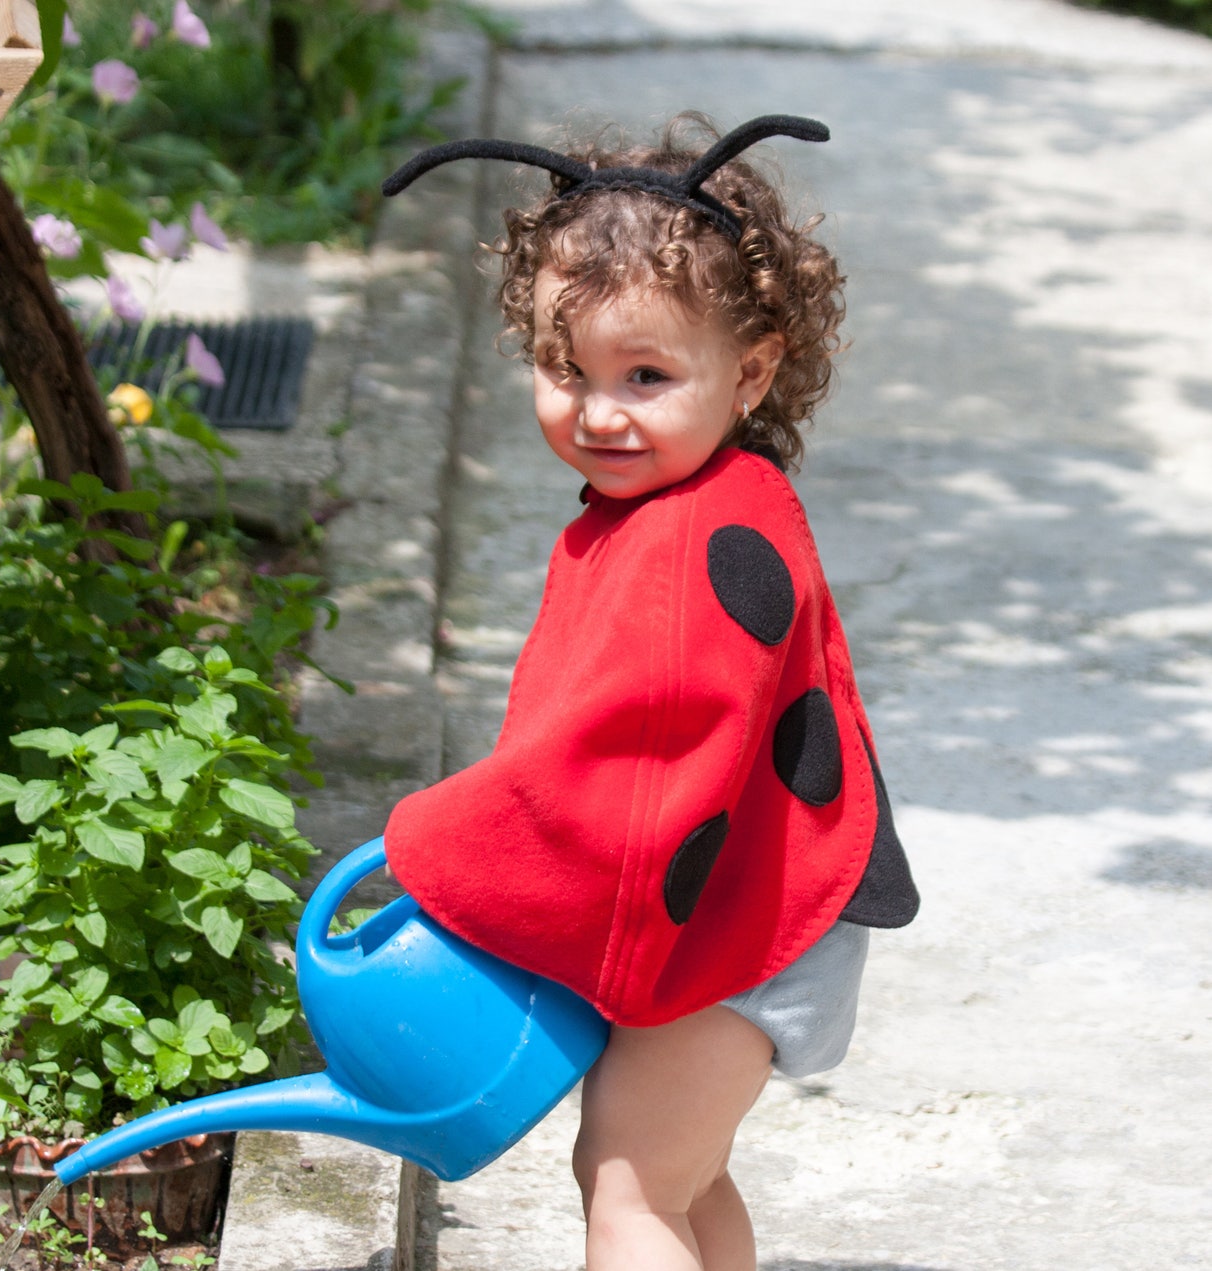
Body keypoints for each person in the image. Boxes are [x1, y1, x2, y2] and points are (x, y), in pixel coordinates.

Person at [378, 113, 921, 1271]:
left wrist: (438, 839)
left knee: (625, 1188)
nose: (599, 410)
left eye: (645, 375)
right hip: (761, 889)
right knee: (674, 1171)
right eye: (563, 368)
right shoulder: (702, 496)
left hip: (752, 909)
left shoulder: (693, 541)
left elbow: (630, 756)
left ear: (753, 369)